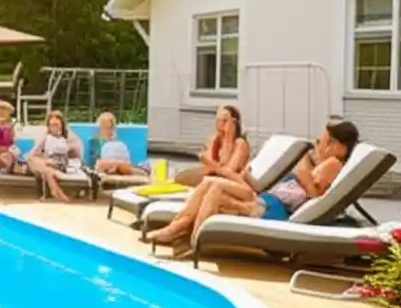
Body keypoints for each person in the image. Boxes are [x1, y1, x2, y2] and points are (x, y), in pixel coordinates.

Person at [143, 118, 361, 247]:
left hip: (272, 208)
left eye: (320, 141)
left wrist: (304, 171)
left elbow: (314, 197)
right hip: (266, 199)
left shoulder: (333, 163)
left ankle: (190, 238)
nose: (318, 146)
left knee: (215, 186)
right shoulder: (326, 163)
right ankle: (178, 230)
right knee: (210, 183)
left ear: (336, 145)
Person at [173, 104, 251, 188]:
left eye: (225, 120)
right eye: (218, 120)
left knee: (201, 180)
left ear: (234, 123)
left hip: (230, 182)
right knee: (180, 177)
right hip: (214, 176)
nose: (220, 124)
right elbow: (208, 166)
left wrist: (229, 138)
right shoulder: (215, 139)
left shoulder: (240, 144)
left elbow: (229, 173)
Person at [25, 110, 83, 203]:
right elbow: (34, 153)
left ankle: (54, 189)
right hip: (43, 163)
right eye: (52, 125)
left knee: (42, 166)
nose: (54, 127)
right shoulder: (44, 135)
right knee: (32, 160)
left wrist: (67, 148)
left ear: (62, 125)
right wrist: (44, 157)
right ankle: (56, 190)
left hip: (57, 164)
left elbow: (78, 154)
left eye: (56, 125)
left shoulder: (69, 136)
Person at [89, 111, 144, 176]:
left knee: (139, 170)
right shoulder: (96, 141)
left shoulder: (118, 142)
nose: (110, 130)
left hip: (120, 167)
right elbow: (98, 163)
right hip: (106, 168)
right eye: (106, 128)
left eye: (111, 127)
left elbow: (126, 160)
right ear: (100, 127)